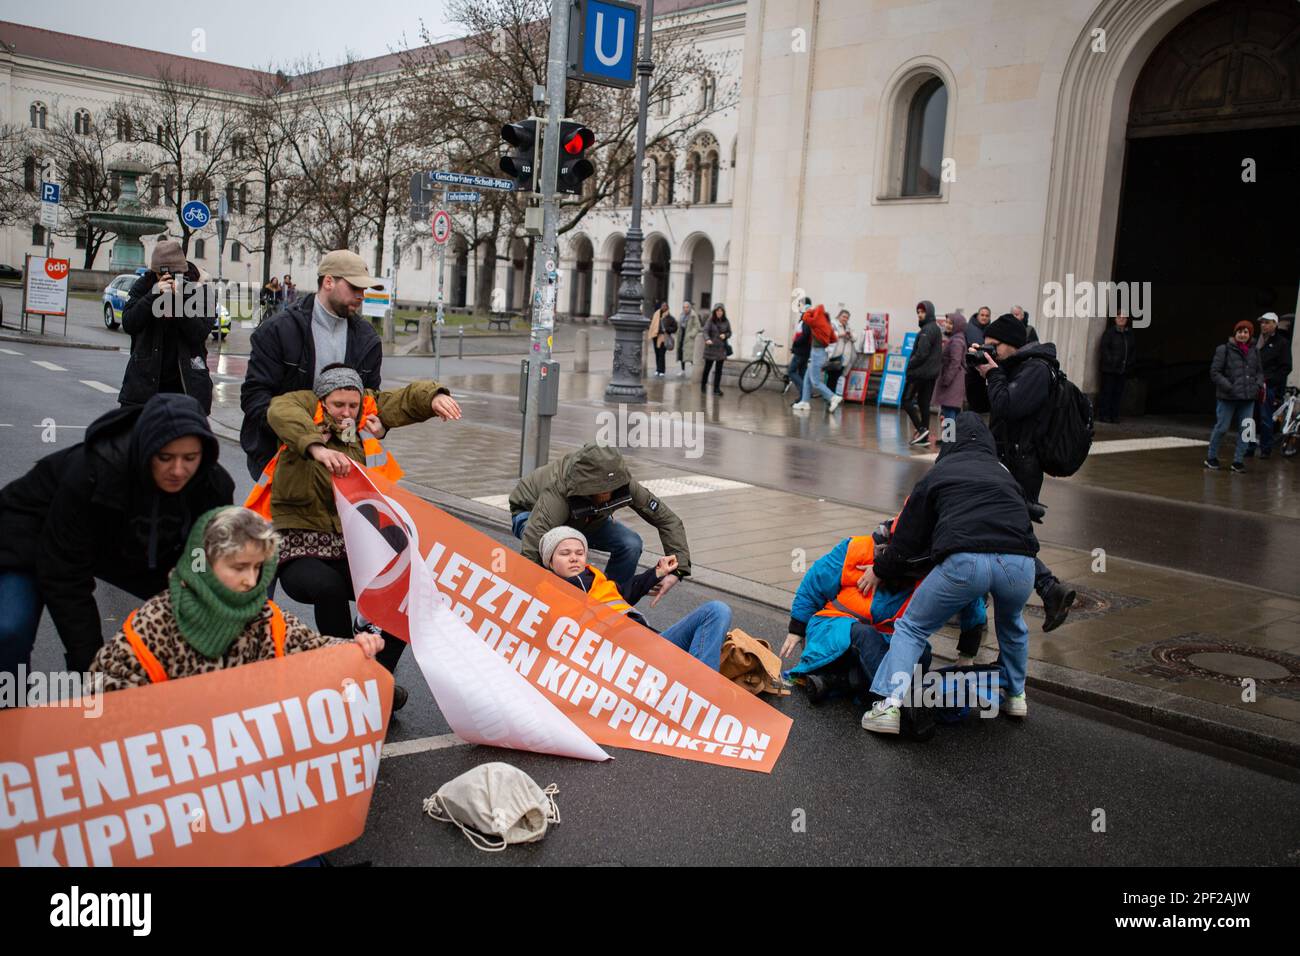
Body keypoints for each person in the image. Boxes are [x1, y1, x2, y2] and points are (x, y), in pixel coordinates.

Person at [0, 394, 234, 679]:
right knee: (9, 630)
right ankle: (8, 711)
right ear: (147, 450)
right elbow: (66, 576)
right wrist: (90, 664)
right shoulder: (91, 473)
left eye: (190, 458)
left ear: (204, 453)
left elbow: (208, 568)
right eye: (165, 458)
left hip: (115, 540)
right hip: (29, 532)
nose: (177, 470)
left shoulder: (213, 486)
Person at [262, 364, 461, 696]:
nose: (346, 412)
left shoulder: (362, 420)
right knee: (329, 588)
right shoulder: (303, 407)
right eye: (338, 405)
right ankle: (345, 672)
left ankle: (376, 679)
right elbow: (279, 410)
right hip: (300, 545)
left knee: (408, 595)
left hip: (351, 548)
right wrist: (316, 447)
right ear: (322, 400)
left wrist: (435, 397)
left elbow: (405, 399)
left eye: (352, 406)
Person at [862, 413, 1038, 733]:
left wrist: (881, 569)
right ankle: (1015, 696)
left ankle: (888, 707)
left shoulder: (939, 473)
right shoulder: (1004, 473)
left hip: (966, 561)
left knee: (913, 627)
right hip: (1020, 564)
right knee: (1012, 626)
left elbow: (907, 538)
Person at [90, 506, 385, 690]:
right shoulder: (158, 622)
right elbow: (106, 691)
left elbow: (312, 648)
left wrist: (353, 648)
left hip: (246, 774)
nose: (250, 580)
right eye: (238, 567)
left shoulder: (267, 618)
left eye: (258, 567)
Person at [965, 313, 1076, 631]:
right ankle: (1043, 590)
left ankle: (1046, 589)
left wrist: (994, 374)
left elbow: (1008, 406)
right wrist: (976, 371)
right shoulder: (1014, 367)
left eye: (993, 346)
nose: (990, 351)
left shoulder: (1036, 370)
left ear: (1013, 344)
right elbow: (980, 404)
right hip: (1001, 462)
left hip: (1019, 466)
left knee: (999, 534)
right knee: (994, 533)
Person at [241, 250, 384, 480]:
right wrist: (304, 434)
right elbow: (254, 398)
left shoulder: (368, 339)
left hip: (342, 466)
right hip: (282, 460)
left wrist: (377, 425)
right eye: (355, 288)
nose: (361, 296)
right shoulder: (278, 330)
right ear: (329, 281)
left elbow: (370, 399)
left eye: (364, 290)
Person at [510, 441, 692, 591]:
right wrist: (528, 596)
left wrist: (678, 571)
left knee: (630, 543)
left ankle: (610, 601)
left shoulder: (624, 483)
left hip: (586, 520)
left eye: (610, 490)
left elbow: (667, 519)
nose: (606, 495)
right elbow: (534, 544)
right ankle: (559, 602)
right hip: (530, 513)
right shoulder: (559, 489)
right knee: (562, 554)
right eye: (600, 490)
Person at [542, 527, 729, 670]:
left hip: (651, 645)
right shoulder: (545, 594)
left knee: (717, 610)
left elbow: (627, 591)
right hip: (624, 663)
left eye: (579, 553)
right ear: (550, 562)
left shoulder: (598, 581)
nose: (574, 558)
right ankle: (701, 690)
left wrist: (657, 572)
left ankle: (701, 688)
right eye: (565, 554)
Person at [117, 239, 215, 415]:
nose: (166, 279)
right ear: (154, 272)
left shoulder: (200, 289)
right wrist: (153, 295)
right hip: (144, 386)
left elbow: (199, 333)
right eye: (160, 274)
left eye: (173, 274)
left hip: (186, 386)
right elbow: (130, 323)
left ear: (182, 272)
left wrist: (178, 301)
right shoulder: (145, 285)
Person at [1205, 319, 1263, 473]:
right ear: (1235, 333)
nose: (1242, 334)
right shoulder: (1223, 349)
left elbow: (1259, 372)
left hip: (1248, 398)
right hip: (1227, 397)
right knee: (1222, 428)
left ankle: (1238, 461)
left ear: (1250, 334)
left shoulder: (1255, 351)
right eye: (1240, 331)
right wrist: (1229, 387)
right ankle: (1211, 457)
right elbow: (1215, 372)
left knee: (1246, 430)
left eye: (1246, 332)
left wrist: (1257, 385)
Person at [1248, 312, 1292, 459]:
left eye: (1267, 322)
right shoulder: (1255, 342)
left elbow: (1286, 367)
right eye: (1262, 322)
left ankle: (1265, 448)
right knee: (1249, 417)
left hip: (1267, 387)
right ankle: (1249, 446)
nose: (1263, 325)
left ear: (1274, 324)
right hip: (1252, 384)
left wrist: (1270, 381)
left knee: (1265, 418)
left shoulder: (1282, 343)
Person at [902, 300, 942, 444]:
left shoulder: (927, 330)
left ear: (929, 312)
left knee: (905, 401)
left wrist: (909, 364)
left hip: (919, 373)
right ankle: (924, 436)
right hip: (930, 374)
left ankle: (921, 430)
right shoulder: (935, 328)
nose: (919, 315)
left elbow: (922, 354)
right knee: (923, 403)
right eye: (918, 312)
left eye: (922, 312)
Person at [791, 303, 842, 413]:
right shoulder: (826, 323)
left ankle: (833, 397)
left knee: (815, 381)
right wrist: (823, 339)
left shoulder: (818, 320)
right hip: (820, 352)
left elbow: (805, 317)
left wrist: (809, 311)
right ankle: (804, 402)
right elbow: (833, 339)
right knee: (807, 379)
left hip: (817, 353)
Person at [1096, 311, 1137, 424]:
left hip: (1122, 370)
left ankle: (1114, 416)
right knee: (1107, 392)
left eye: (1124, 317)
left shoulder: (1129, 334)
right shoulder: (1109, 333)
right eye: (1120, 317)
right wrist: (1111, 361)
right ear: (1115, 318)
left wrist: (1129, 363)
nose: (1122, 319)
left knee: (1118, 394)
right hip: (1109, 369)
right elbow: (1104, 349)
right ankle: (1104, 415)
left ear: (1127, 320)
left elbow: (1132, 351)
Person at [932, 311, 968, 431]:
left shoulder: (956, 341)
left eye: (951, 323)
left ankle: (949, 440)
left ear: (958, 325)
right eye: (947, 322)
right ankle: (951, 439)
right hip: (955, 380)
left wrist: (946, 380)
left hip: (952, 381)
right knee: (952, 411)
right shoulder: (957, 338)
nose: (947, 325)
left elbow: (955, 362)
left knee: (949, 411)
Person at [701, 303, 732, 396]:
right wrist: (707, 339)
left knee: (719, 370)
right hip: (711, 348)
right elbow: (705, 331)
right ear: (715, 312)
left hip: (721, 349)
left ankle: (716, 389)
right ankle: (703, 385)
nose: (719, 312)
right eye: (717, 311)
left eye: (721, 311)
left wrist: (725, 335)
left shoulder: (726, 321)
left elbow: (729, 332)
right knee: (707, 368)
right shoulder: (710, 320)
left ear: (723, 312)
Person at [786, 298, 813, 402]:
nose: (798, 307)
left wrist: (796, 343)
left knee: (791, 371)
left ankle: (805, 392)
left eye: (800, 305)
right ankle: (803, 398)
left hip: (801, 351)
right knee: (802, 373)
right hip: (804, 351)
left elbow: (805, 334)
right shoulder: (808, 316)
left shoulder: (806, 316)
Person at [824, 309, 856, 394]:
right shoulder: (833, 324)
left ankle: (830, 396)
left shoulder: (848, 326)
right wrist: (842, 334)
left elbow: (855, 338)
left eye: (847, 318)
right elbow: (830, 334)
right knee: (832, 377)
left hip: (844, 357)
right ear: (839, 316)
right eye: (844, 317)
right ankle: (829, 396)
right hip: (835, 356)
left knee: (836, 377)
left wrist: (850, 335)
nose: (845, 319)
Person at [648, 302, 675, 377]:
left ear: (667, 307)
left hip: (664, 337)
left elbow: (675, 328)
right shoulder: (656, 315)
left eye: (665, 306)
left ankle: (662, 370)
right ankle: (657, 369)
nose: (663, 307)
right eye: (662, 306)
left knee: (661, 354)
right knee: (657, 353)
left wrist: (667, 329)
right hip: (656, 336)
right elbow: (651, 324)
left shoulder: (670, 318)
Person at [676, 301, 700, 377]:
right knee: (681, 354)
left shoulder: (693, 315)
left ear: (689, 307)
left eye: (687, 307)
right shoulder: (681, 315)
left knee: (690, 355)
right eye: (684, 307)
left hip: (689, 338)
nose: (685, 309)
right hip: (682, 336)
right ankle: (682, 370)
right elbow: (679, 325)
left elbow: (697, 326)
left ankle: (694, 370)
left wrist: (692, 334)